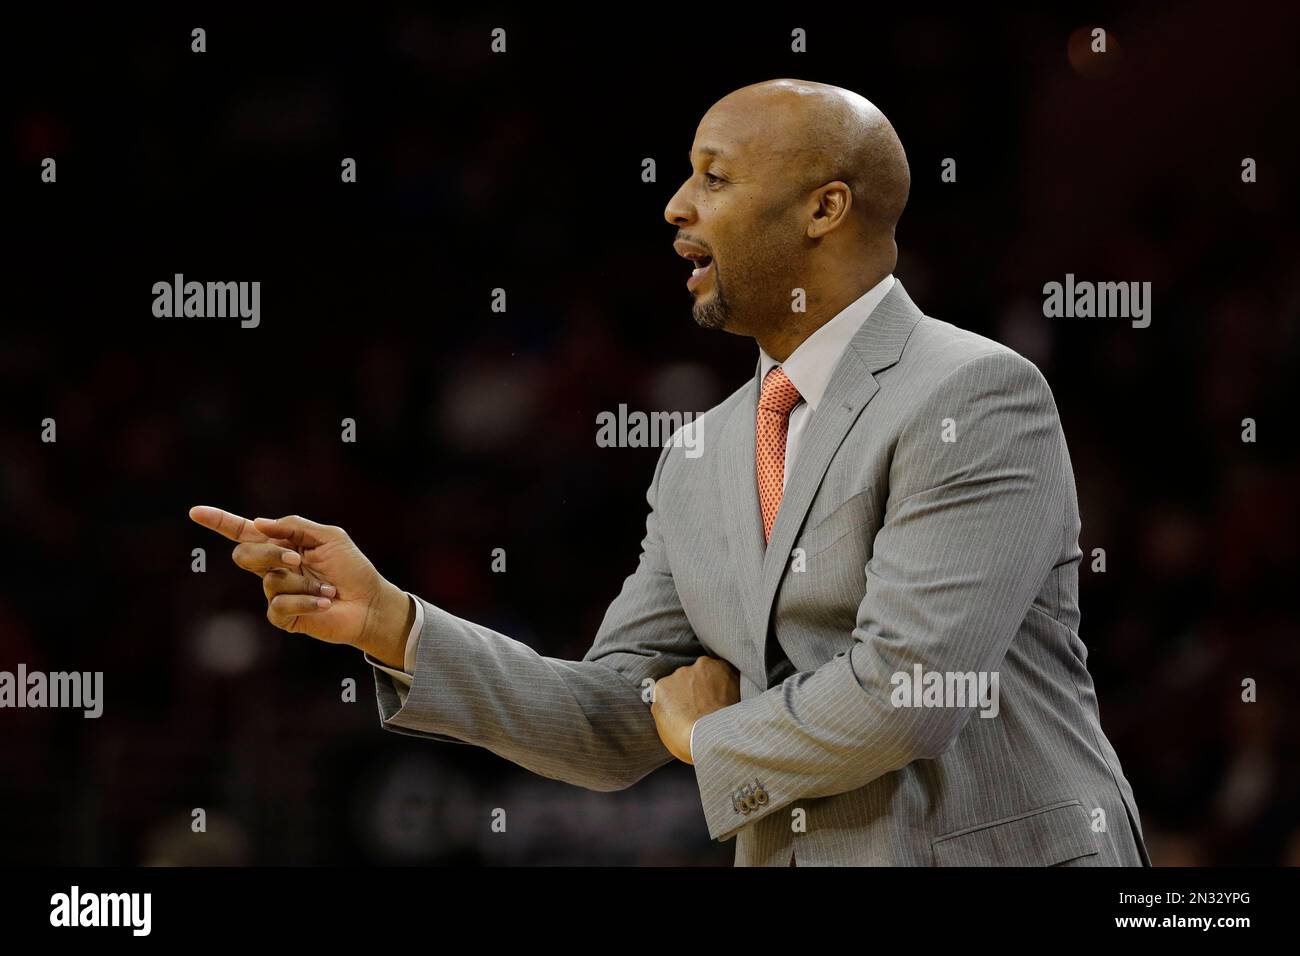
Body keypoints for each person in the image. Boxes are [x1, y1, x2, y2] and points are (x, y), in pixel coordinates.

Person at [191, 78, 1149, 866]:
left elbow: (906, 696)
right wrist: (393, 623)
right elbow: (613, 721)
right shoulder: (702, 452)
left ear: (825, 207)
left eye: (714, 177)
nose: (676, 205)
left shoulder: (975, 393)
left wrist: (704, 741)